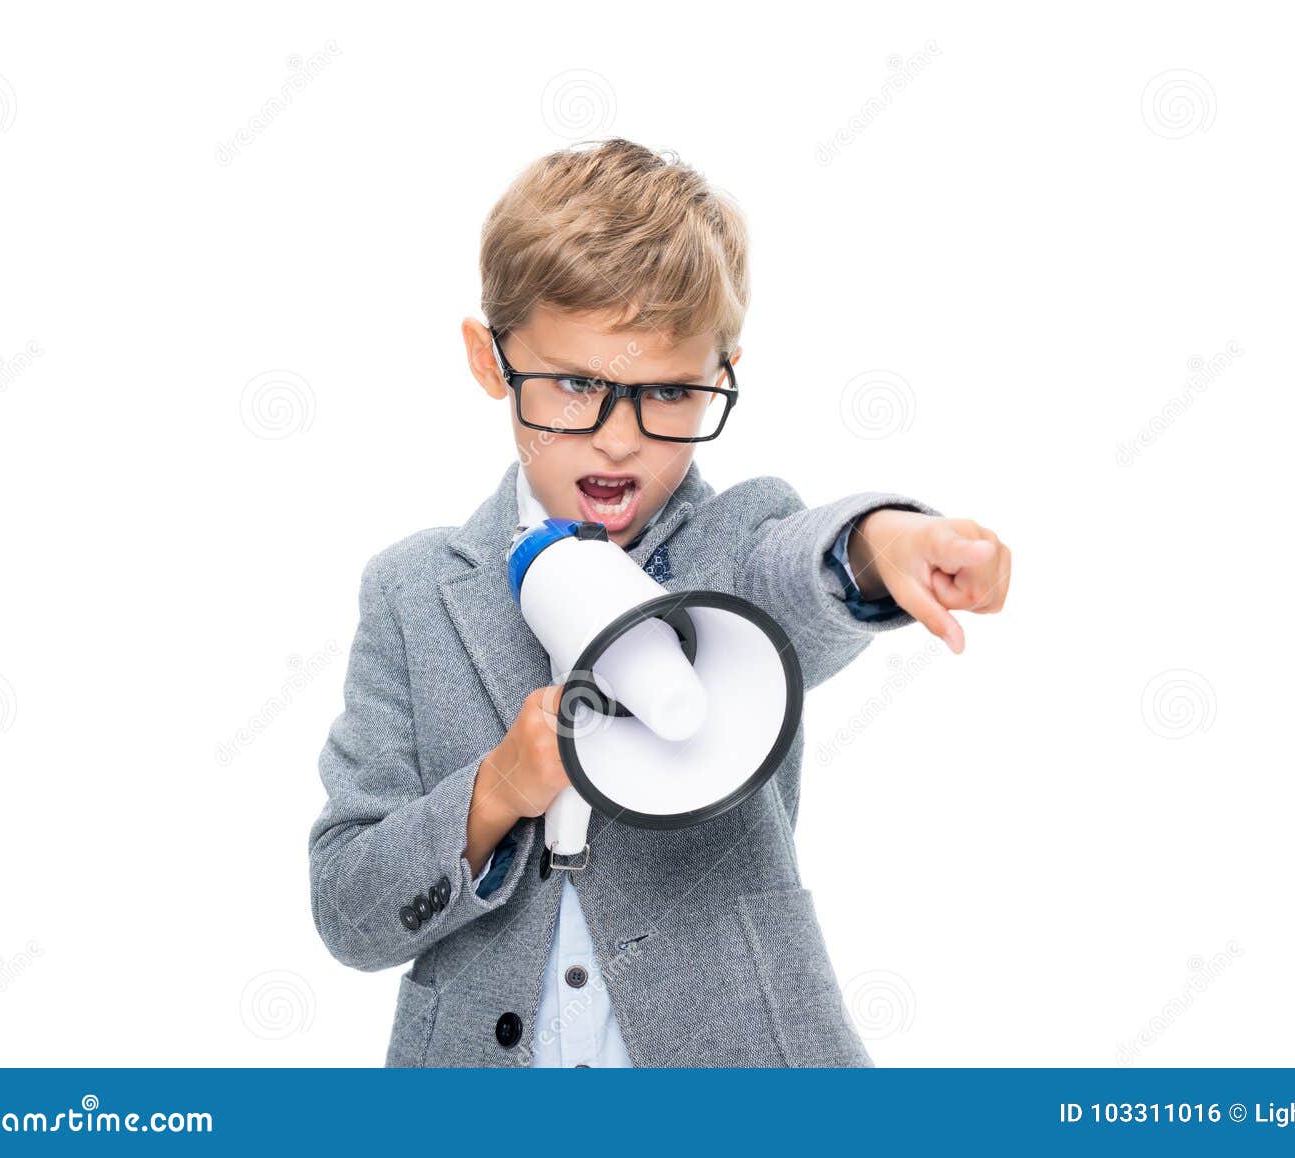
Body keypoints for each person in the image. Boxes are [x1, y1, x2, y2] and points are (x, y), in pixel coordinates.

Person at [308, 139, 1011, 1066]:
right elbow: (351, 913)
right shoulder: (410, 594)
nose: (619, 442)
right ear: (489, 359)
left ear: (724, 372)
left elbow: (799, 575)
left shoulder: (737, 541)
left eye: (670, 393)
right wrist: (500, 792)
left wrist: (885, 545)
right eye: (576, 385)